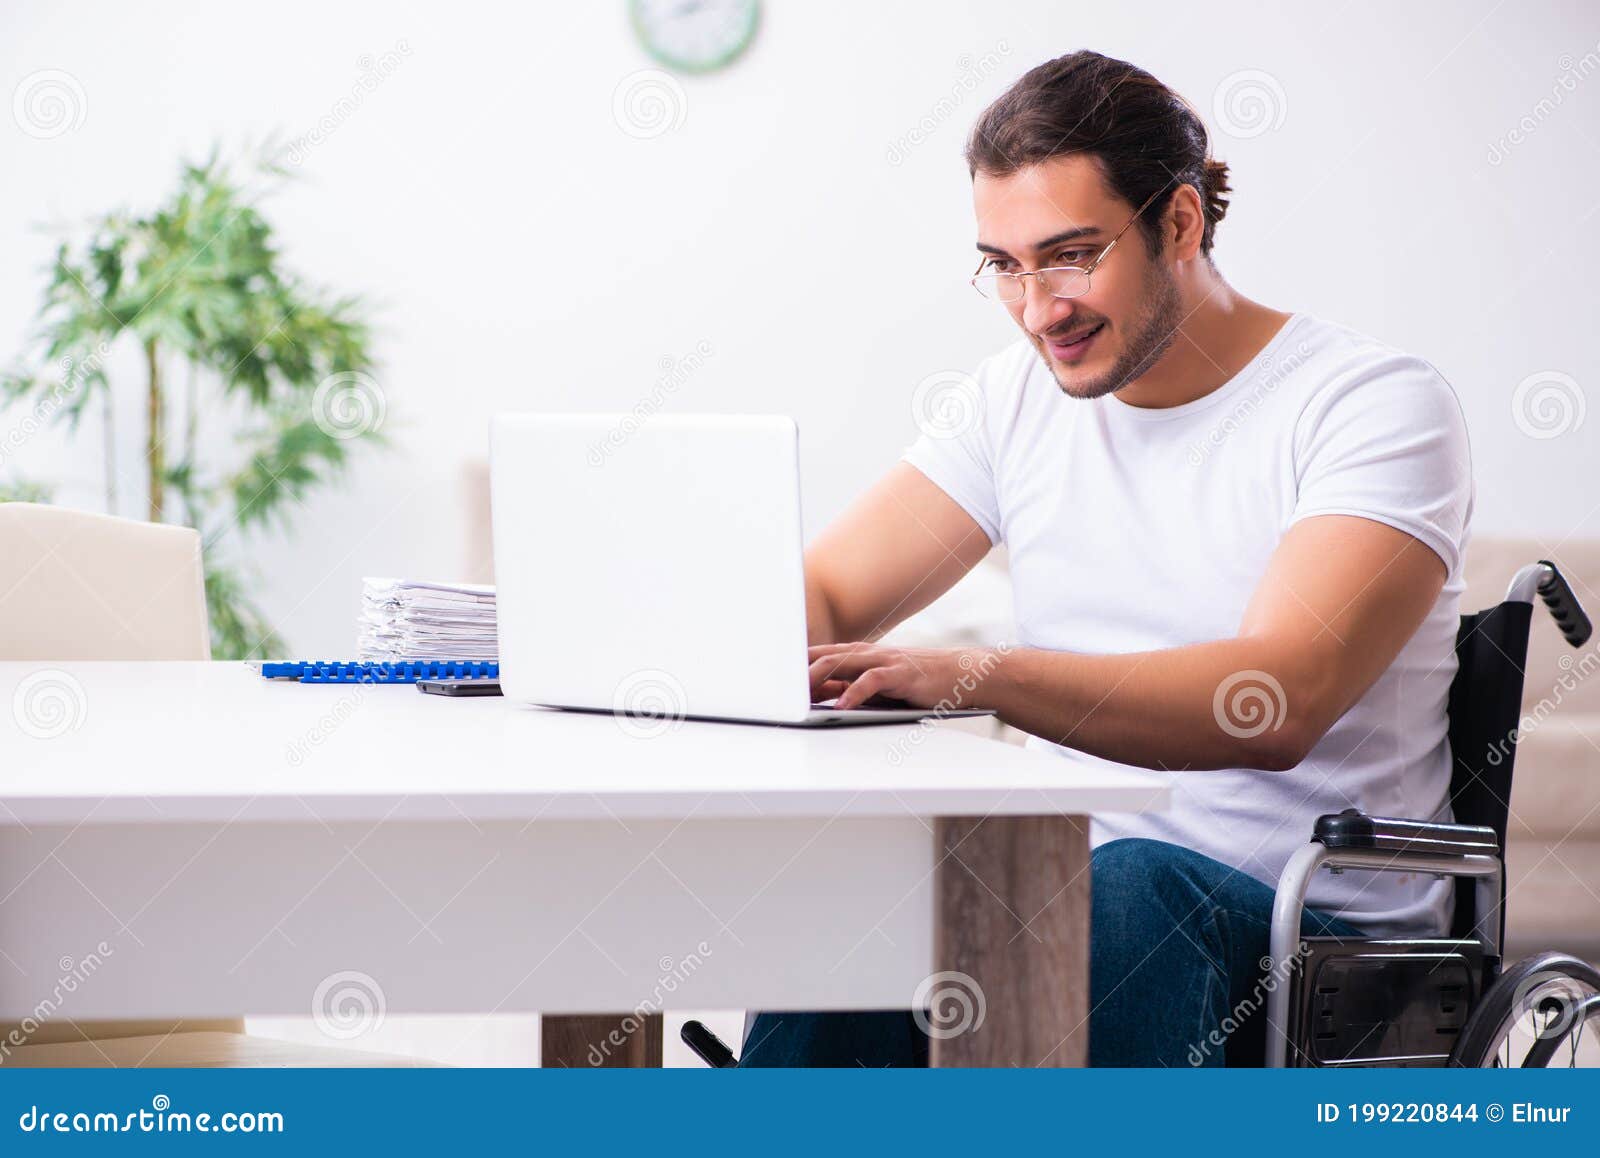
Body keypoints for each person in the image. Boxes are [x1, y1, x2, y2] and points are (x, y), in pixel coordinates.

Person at [741, 49, 1473, 1067]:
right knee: (864, 881)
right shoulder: (1013, 401)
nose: (1039, 309)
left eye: (1071, 254)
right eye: (1004, 265)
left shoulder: (1369, 405)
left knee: (1127, 885)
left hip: (1323, 952)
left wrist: (978, 679)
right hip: (1068, 905)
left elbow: (1275, 697)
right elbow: (826, 591)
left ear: (1179, 222)